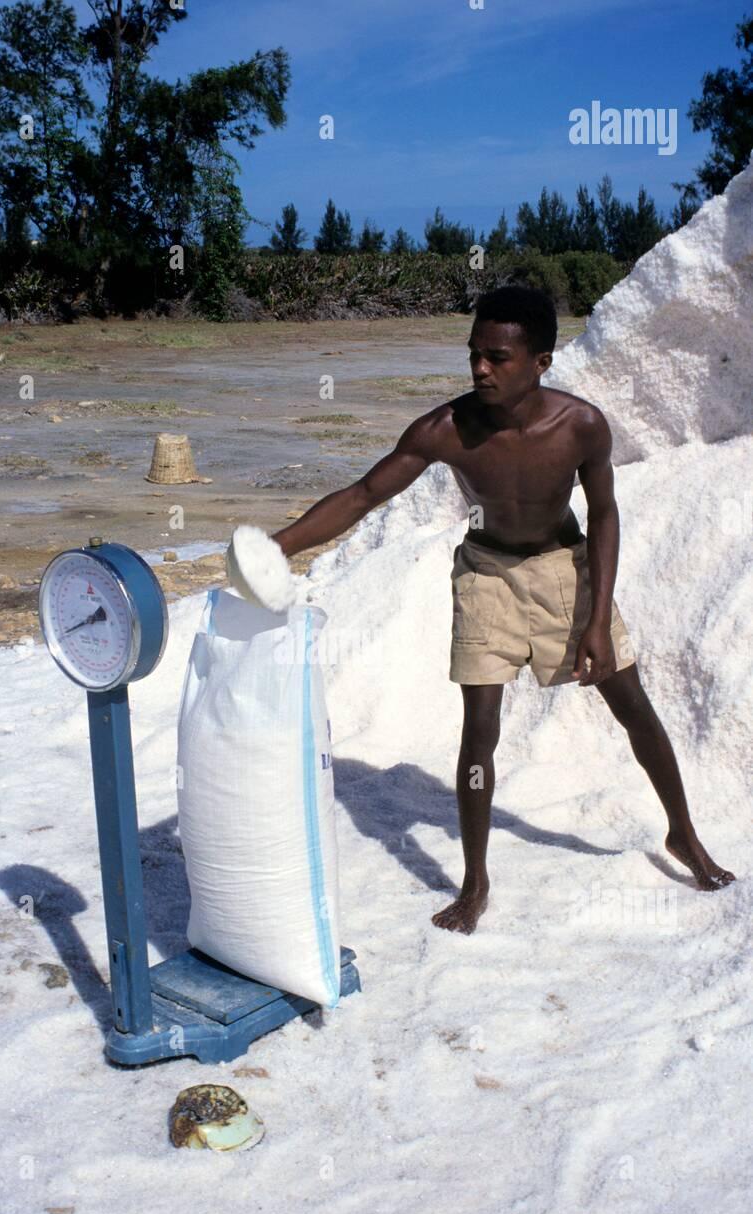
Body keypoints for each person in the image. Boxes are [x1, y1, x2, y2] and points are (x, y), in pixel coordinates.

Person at [270, 285, 735, 933]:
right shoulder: (446, 429)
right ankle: (475, 880)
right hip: (485, 573)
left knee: (634, 708)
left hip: (563, 568)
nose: (480, 369)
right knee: (479, 726)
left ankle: (684, 834)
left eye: (498, 357)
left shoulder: (581, 426)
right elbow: (363, 494)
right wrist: (275, 549)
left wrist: (596, 621)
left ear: (541, 361)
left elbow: (604, 513)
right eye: (474, 355)